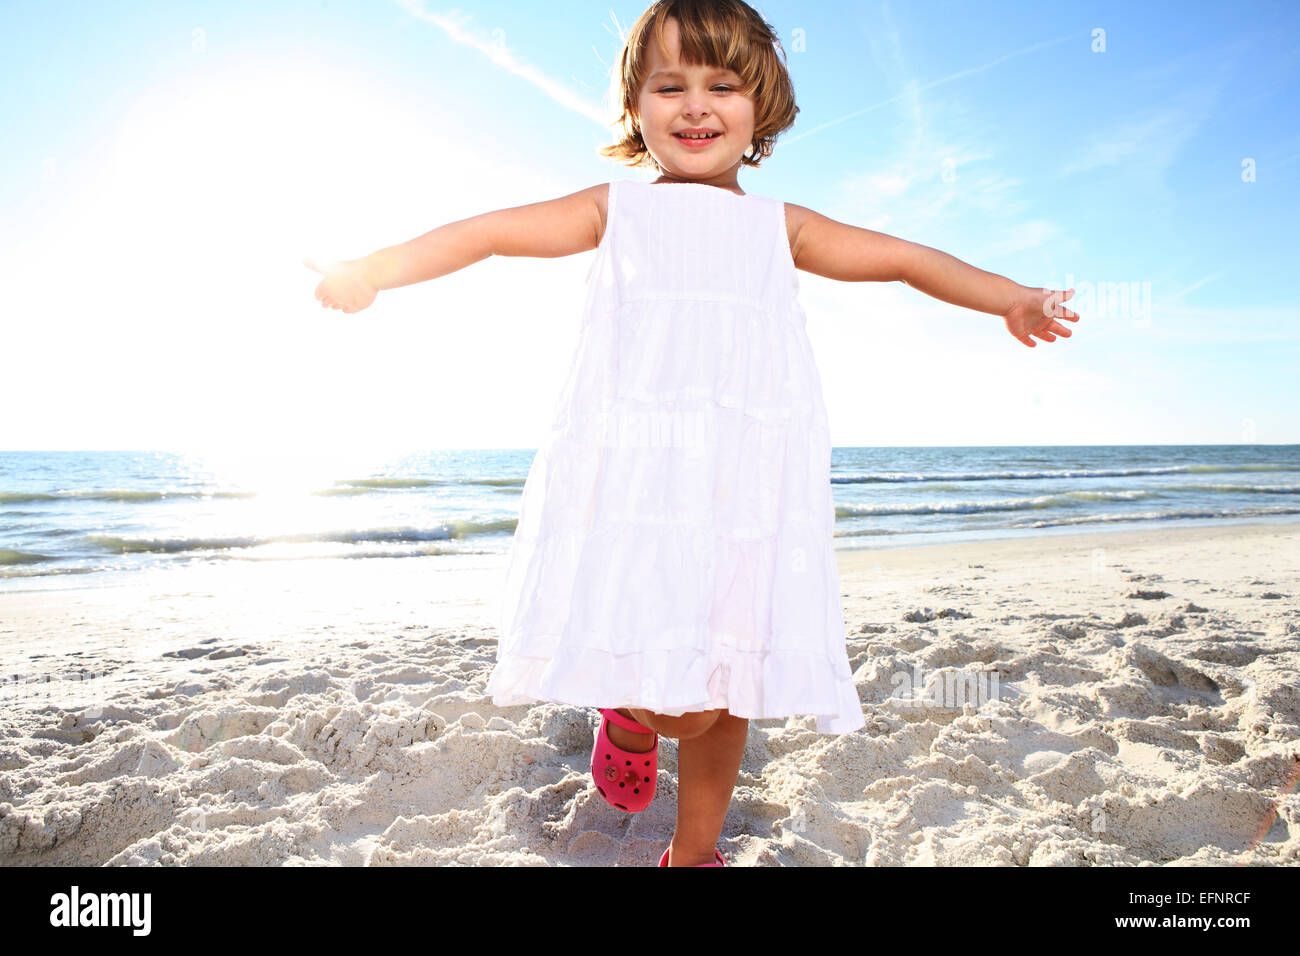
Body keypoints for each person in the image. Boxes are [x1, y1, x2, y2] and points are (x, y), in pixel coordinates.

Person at [304, 0, 1079, 868]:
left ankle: (696, 850)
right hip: (638, 479)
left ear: (762, 110)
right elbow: (488, 235)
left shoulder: (778, 225)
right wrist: (373, 271)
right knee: (669, 680)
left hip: (746, 481)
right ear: (636, 107)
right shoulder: (616, 211)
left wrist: (1011, 296)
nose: (696, 105)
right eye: (669, 85)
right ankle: (631, 711)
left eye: (722, 85)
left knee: (728, 676)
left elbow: (903, 257)